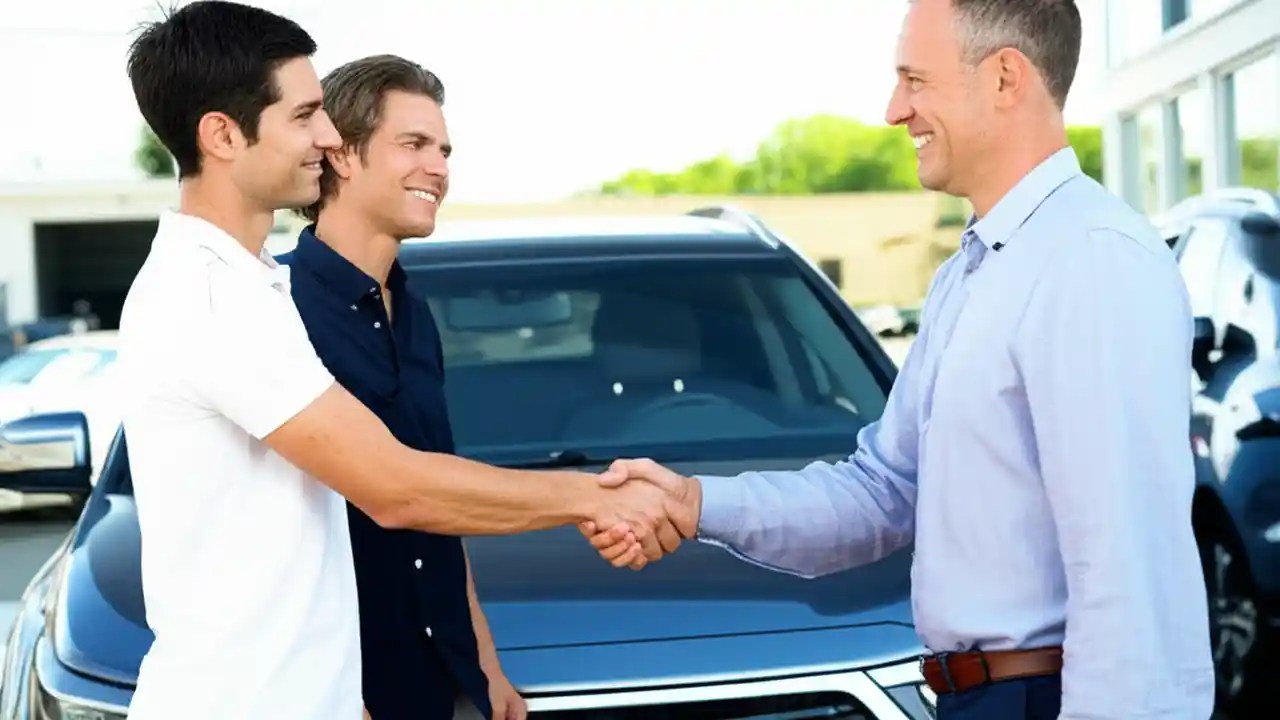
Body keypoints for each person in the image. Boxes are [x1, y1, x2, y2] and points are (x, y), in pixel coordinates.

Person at [584, 0, 1215, 718]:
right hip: (980, 699)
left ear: (1006, 77)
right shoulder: (975, 270)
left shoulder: (1090, 260)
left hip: (1046, 698)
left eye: (915, 80)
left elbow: (1130, 575)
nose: (894, 110)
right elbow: (882, 494)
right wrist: (695, 504)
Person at [116, 3, 675, 719]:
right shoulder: (208, 297)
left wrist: (477, 661)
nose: (326, 136)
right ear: (222, 135)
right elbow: (395, 488)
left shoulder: (255, 287)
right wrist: (596, 498)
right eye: (304, 115)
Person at [275, 55, 522, 720]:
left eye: (443, 149)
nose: (439, 168)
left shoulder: (415, 315)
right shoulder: (273, 310)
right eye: (413, 144)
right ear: (343, 154)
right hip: (341, 693)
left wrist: (486, 664)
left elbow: (435, 496)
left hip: (446, 684)